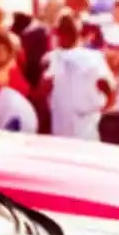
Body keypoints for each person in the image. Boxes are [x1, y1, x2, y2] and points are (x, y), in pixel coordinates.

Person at [42, 11, 114, 142]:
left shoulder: (92, 57)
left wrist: (104, 108)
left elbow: (106, 86)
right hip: (65, 121)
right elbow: (108, 88)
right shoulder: (54, 58)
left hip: (84, 121)